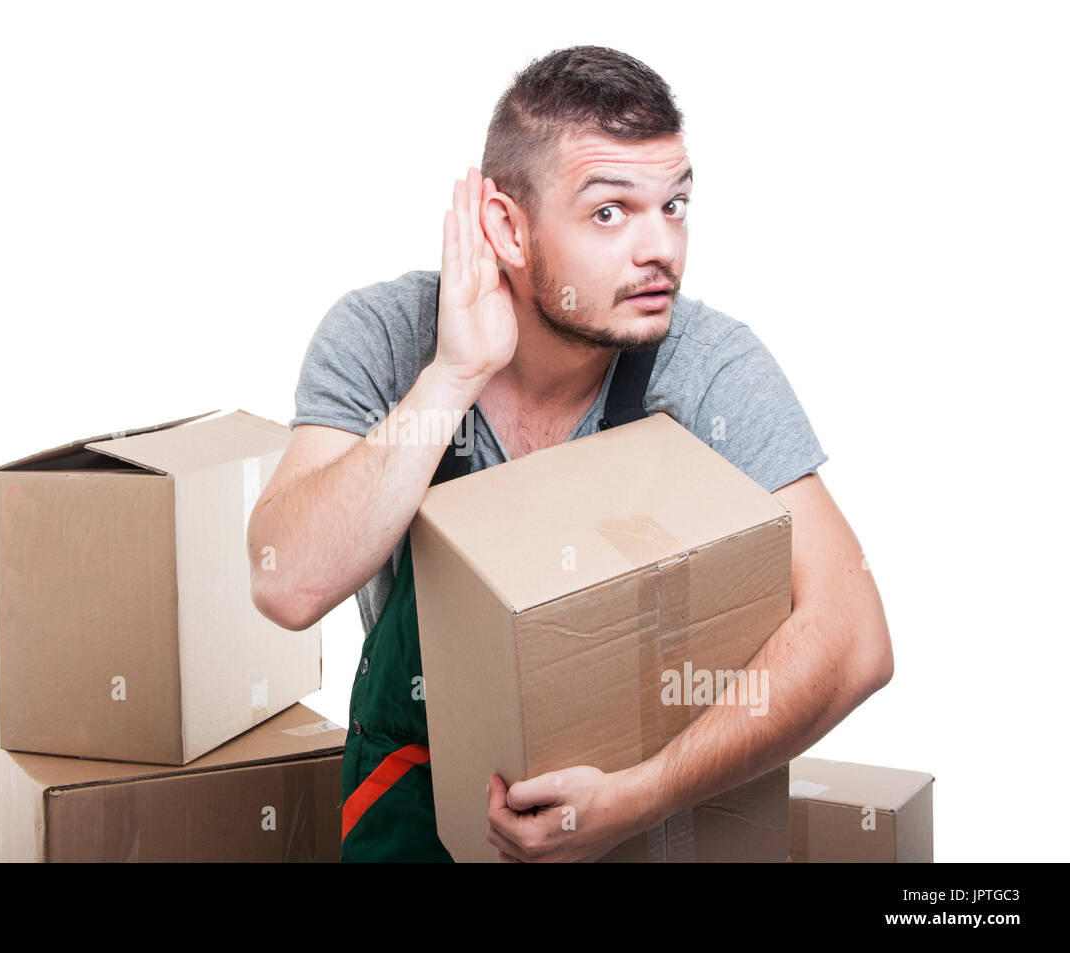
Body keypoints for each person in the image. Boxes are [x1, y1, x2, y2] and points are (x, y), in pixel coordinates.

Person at [247, 45, 893, 862]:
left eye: (675, 205)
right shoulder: (387, 339)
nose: (660, 247)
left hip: (642, 824)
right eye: (611, 213)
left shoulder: (708, 368)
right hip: (427, 817)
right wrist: (452, 375)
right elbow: (286, 580)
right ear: (507, 228)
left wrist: (640, 794)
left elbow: (855, 635)